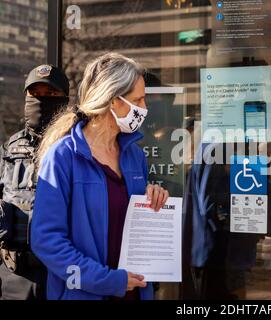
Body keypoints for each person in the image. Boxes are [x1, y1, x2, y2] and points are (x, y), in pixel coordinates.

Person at [30, 53, 169, 300]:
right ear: (113, 101)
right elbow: (47, 241)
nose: (144, 109)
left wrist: (152, 199)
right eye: (139, 99)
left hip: (135, 293)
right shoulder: (62, 157)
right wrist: (107, 281)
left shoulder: (134, 155)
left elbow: (129, 219)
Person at [0, 64, 70, 300]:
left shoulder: (76, 146)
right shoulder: (10, 147)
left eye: (50, 95)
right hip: (15, 277)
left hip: (62, 275)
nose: (41, 100)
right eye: (35, 93)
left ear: (65, 100)